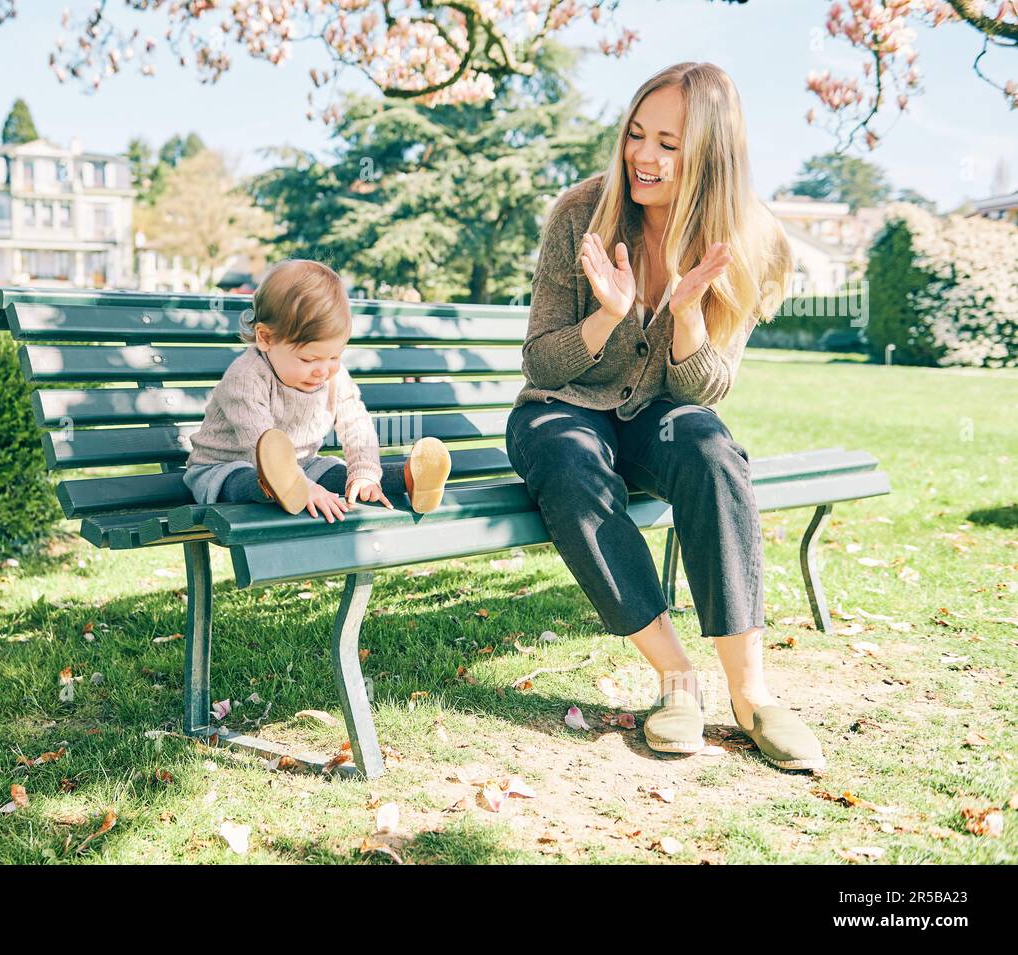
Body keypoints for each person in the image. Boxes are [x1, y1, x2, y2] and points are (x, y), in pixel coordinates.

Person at [506, 62, 825, 771]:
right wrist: (608, 319)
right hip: (563, 411)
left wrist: (686, 315)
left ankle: (752, 695)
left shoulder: (751, 242)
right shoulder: (579, 215)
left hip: (660, 415)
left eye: (669, 145)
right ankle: (677, 681)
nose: (644, 157)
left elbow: (705, 389)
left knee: (711, 449)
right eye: (637, 135)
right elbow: (541, 363)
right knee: (567, 459)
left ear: (711, 156)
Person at [185, 259, 451, 523]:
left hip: (303, 466)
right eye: (308, 360)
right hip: (226, 469)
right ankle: (287, 488)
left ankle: (409, 478)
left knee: (338, 473)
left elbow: (355, 423)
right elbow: (259, 446)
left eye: (334, 356)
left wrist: (364, 471)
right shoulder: (246, 377)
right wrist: (303, 487)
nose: (323, 370)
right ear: (266, 338)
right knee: (245, 479)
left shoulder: (333, 377)